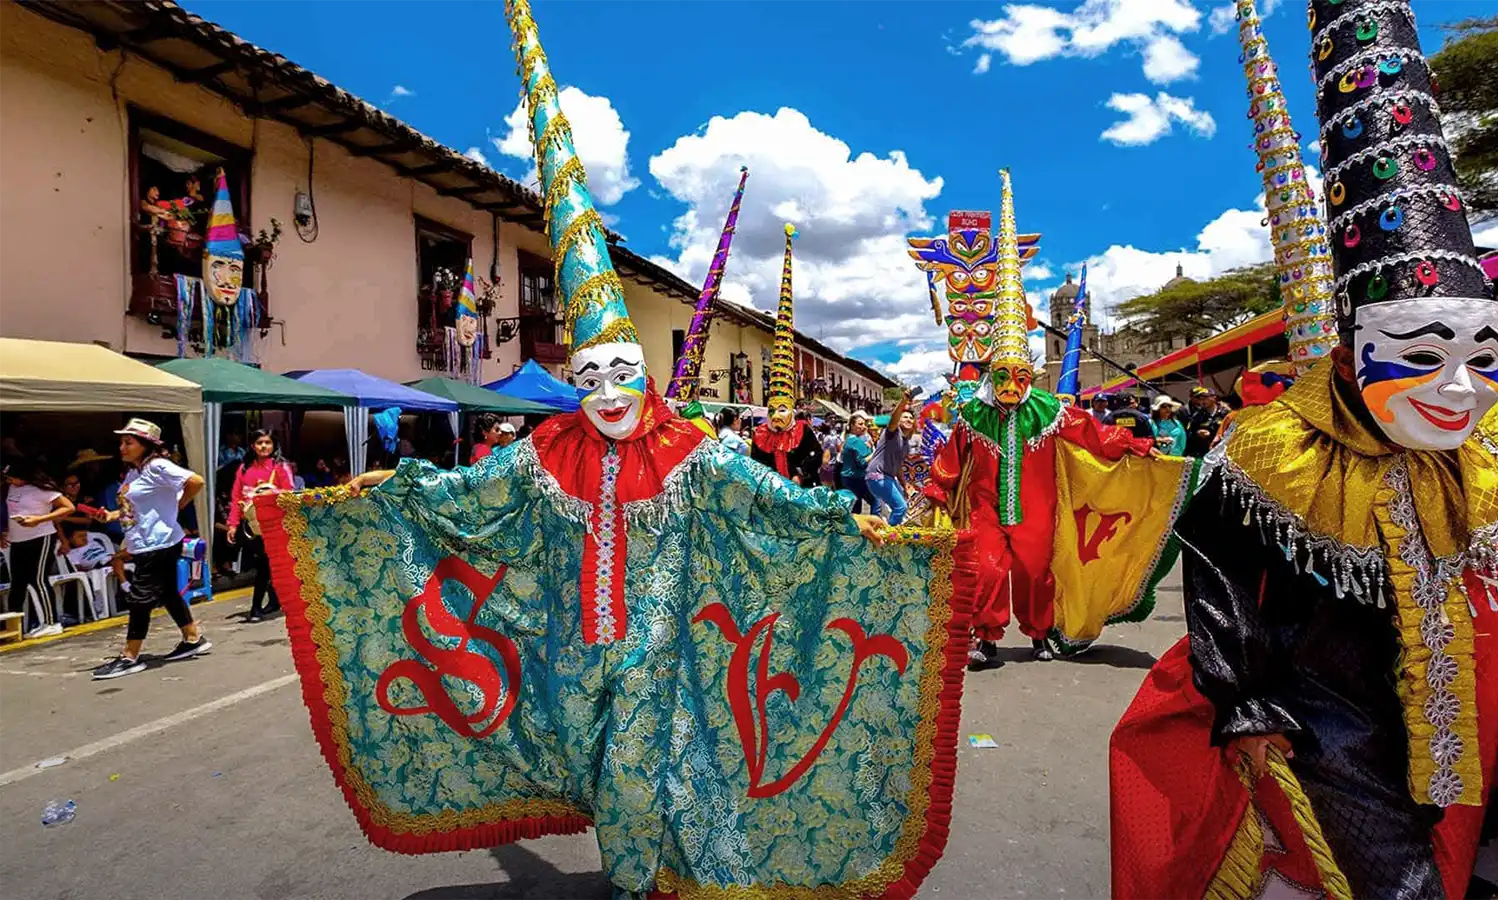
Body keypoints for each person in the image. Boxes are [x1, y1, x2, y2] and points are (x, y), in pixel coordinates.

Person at [250, 22, 967, 899]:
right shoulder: (544, 453)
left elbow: (776, 500)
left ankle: (635, 882)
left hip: (661, 649)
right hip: (563, 648)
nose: (611, 391)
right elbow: (460, 497)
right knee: (603, 767)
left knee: (637, 756)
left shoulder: (693, 451)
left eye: (624, 372)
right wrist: (382, 490)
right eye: (591, 376)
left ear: (648, 375)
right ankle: (655, 855)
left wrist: (856, 521)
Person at [1110, 4, 1498, 896]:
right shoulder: (1268, 449)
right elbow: (1219, 582)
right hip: (1330, 717)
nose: (1459, 387)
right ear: (1349, 353)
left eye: (1481, 360)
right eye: (1421, 357)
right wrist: (1244, 699)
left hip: (1487, 714)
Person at [926, 170, 1170, 668]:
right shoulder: (973, 413)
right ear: (993, 373)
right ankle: (986, 637)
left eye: (1020, 375)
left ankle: (1038, 633)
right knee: (988, 571)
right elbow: (950, 460)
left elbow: (1097, 435)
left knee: (1037, 571)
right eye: (1003, 375)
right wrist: (934, 491)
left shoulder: (1051, 412)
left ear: (1030, 373)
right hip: (986, 510)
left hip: (1038, 511)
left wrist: (1139, 447)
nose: (1013, 386)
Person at [90, 419, 211, 680]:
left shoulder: (158, 467)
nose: (122, 447)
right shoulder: (135, 473)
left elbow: (196, 481)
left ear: (145, 446)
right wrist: (111, 515)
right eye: (121, 442)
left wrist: (179, 504)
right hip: (148, 542)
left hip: (158, 544)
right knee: (168, 592)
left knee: (140, 598)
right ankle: (192, 638)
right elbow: (135, 508)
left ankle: (130, 656)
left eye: (128, 442)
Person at [748, 225, 824, 487]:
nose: (776, 415)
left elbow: (816, 456)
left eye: (781, 409)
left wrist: (800, 474)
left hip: (799, 489)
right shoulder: (760, 434)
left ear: (791, 410)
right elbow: (756, 463)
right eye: (772, 410)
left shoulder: (802, 431)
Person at [228, 429, 294, 622]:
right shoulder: (244, 469)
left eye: (267, 442)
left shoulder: (281, 467)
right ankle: (273, 601)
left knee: (265, 566)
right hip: (252, 527)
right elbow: (236, 498)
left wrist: (271, 494)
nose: (263, 446)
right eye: (259, 443)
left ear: (273, 445)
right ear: (252, 446)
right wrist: (232, 524)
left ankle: (256, 607)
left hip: (276, 525)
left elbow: (290, 495)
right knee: (266, 564)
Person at [3, 460, 73, 637]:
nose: (10, 481)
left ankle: (52, 621)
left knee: (39, 579)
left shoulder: (44, 491)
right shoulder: (13, 488)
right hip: (17, 539)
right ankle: (14, 626)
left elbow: (68, 507)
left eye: (13, 478)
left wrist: (38, 519)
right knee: (18, 581)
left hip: (40, 537)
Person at [865, 393, 916, 525]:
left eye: (911, 418)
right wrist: (903, 401)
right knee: (900, 508)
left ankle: (885, 531)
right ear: (899, 420)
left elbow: (898, 467)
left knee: (904, 508)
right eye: (905, 417)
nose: (909, 419)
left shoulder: (906, 443)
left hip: (888, 478)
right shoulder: (893, 431)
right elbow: (894, 418)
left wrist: (905, 485)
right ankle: (889, 538)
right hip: (878, 476)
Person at [839, 411, 875, 513]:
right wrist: (874, 454)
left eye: (864, 424)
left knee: (856, 508)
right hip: (856, 478)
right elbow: (862, 462)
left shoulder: (852, 440)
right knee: (875, 501)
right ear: (852, 426)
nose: (863, 427)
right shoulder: (855, 441)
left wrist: (869, 447)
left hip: (851, 478)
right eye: (860, 424)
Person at [1183, 386, 1227, 457]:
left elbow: (1231, 433)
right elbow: (1189, 435)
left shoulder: (1225, 413)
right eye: (1200, 399)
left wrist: (1211, 435)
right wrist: (1197, 434)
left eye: (1205, 398)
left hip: (1220, 453)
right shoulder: (1197, 415)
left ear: (1214, 398)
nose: (1202, 401)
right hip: (1203, 453)